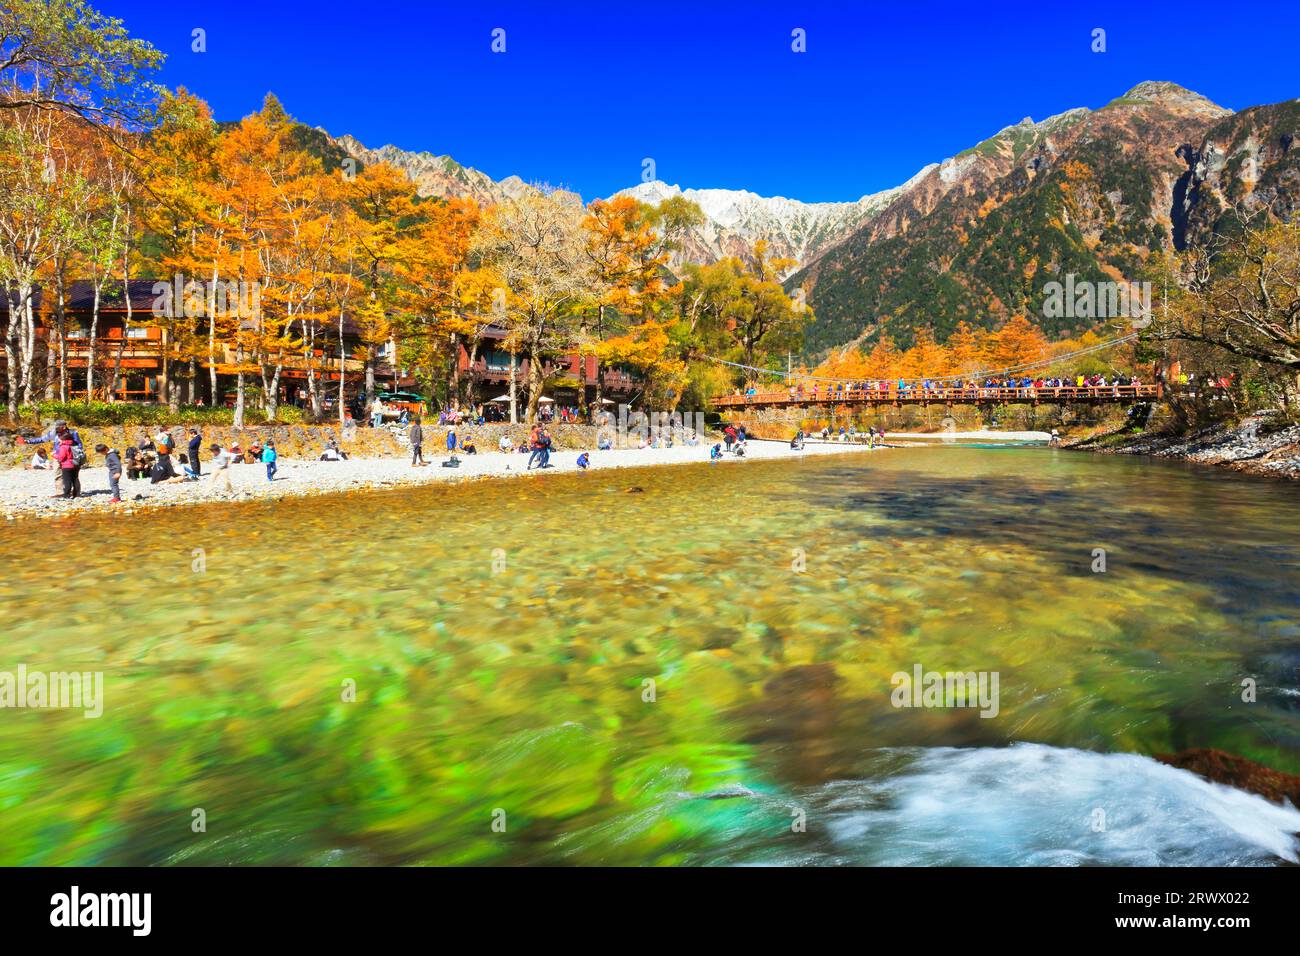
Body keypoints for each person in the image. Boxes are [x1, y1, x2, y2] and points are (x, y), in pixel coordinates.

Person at [54, 431, 81, 498]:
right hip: (76, 464)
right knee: (75, 479)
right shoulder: (74, 444)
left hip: (67, 465)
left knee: (67, 480)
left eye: (59, 438)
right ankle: (77, 494)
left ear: (63, 439)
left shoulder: (64, 446)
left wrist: (54, 455)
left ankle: (66, 494)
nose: (59, 440)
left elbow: (61, 458)